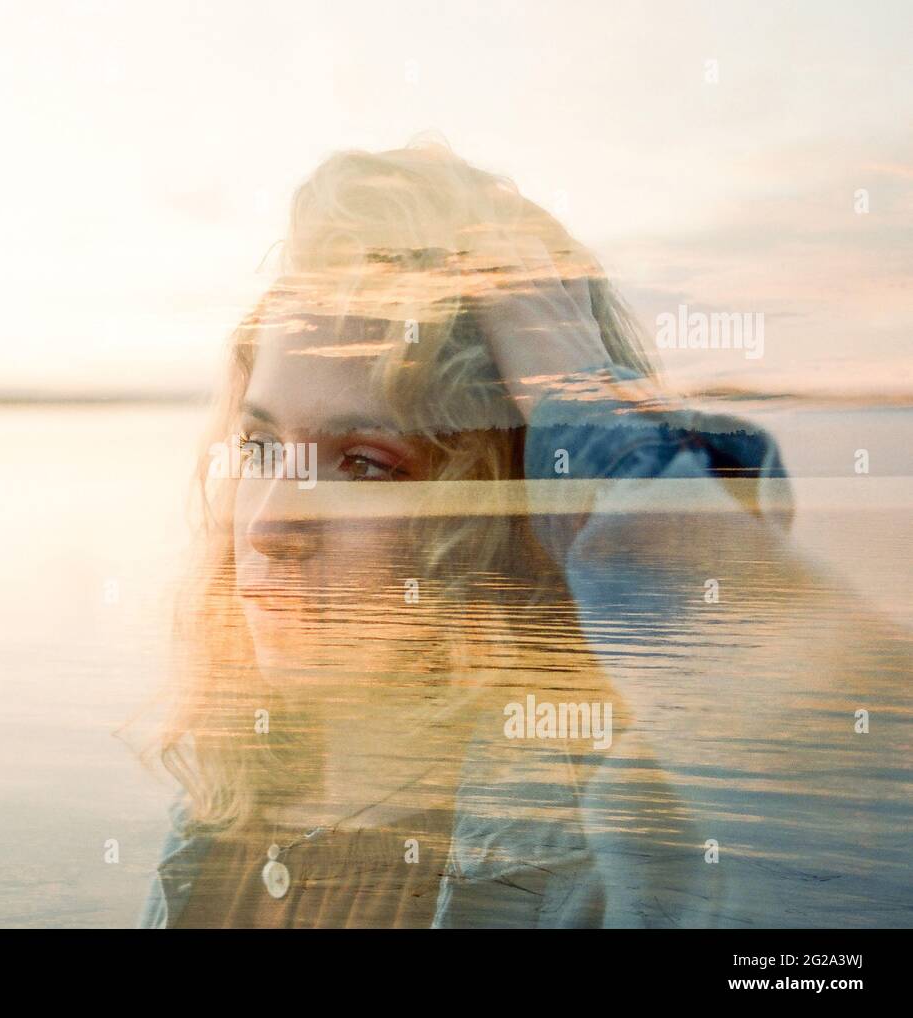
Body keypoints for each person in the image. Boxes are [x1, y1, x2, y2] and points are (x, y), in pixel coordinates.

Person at [139, 142, 906, 928]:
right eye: (261, 448)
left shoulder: (601, 866)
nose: (267, 526)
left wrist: (589, 412)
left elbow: (861, 888)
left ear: (509, 514)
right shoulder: (219, 807)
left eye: (365, 465)